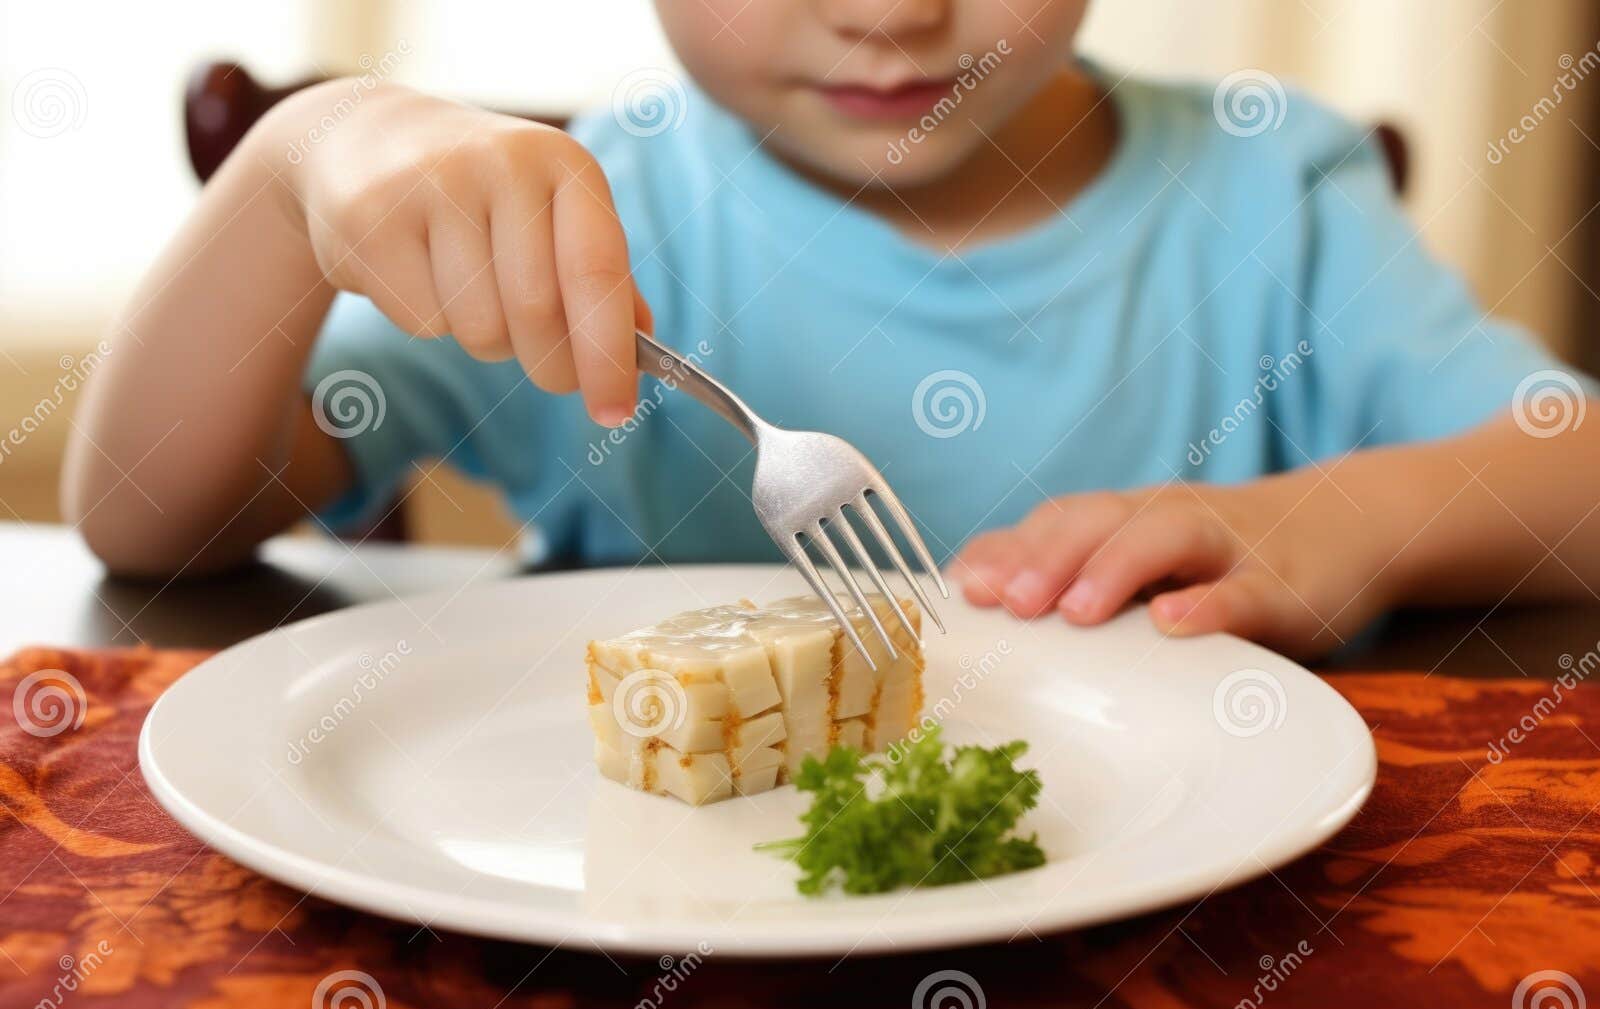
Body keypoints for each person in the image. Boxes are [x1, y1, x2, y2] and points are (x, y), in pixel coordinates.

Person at [64, 0, 1599, 657]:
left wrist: (1340, 524)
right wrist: (286, 178)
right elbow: (147, 527)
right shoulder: (597, 215)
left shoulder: (1274, 188)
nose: (887, 9)